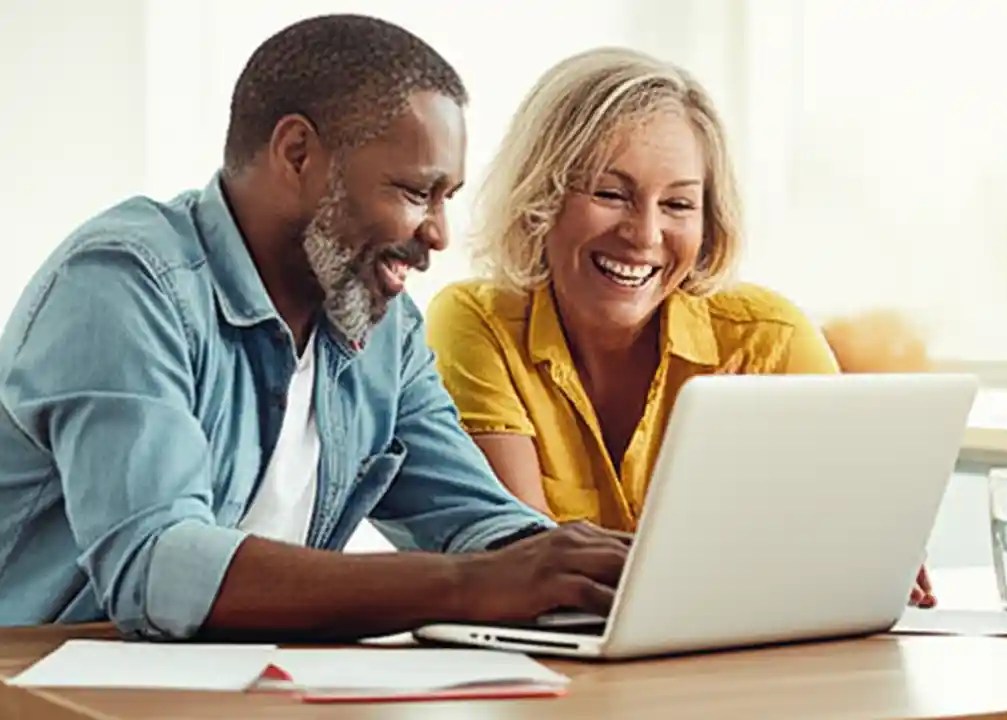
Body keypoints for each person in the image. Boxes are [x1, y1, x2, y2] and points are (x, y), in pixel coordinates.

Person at [0, 14, 628, 641]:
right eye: (416, 192)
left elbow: (475, 521)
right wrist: (470, 584)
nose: (437, 234)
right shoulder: (126, 283)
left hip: (235, 687)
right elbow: (158, 567)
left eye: (447, 199)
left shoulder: (383, 328)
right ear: (297, 153)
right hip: (42, 685)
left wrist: (599, 574)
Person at [427, 48, 934, 607]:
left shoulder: (770, 339)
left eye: (678, 204)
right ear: (540, 197)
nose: (645, 235)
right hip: (553, 668)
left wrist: (868, 551)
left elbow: (846, 542)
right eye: (610, 194)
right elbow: (534, 567)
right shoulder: (477, 323)